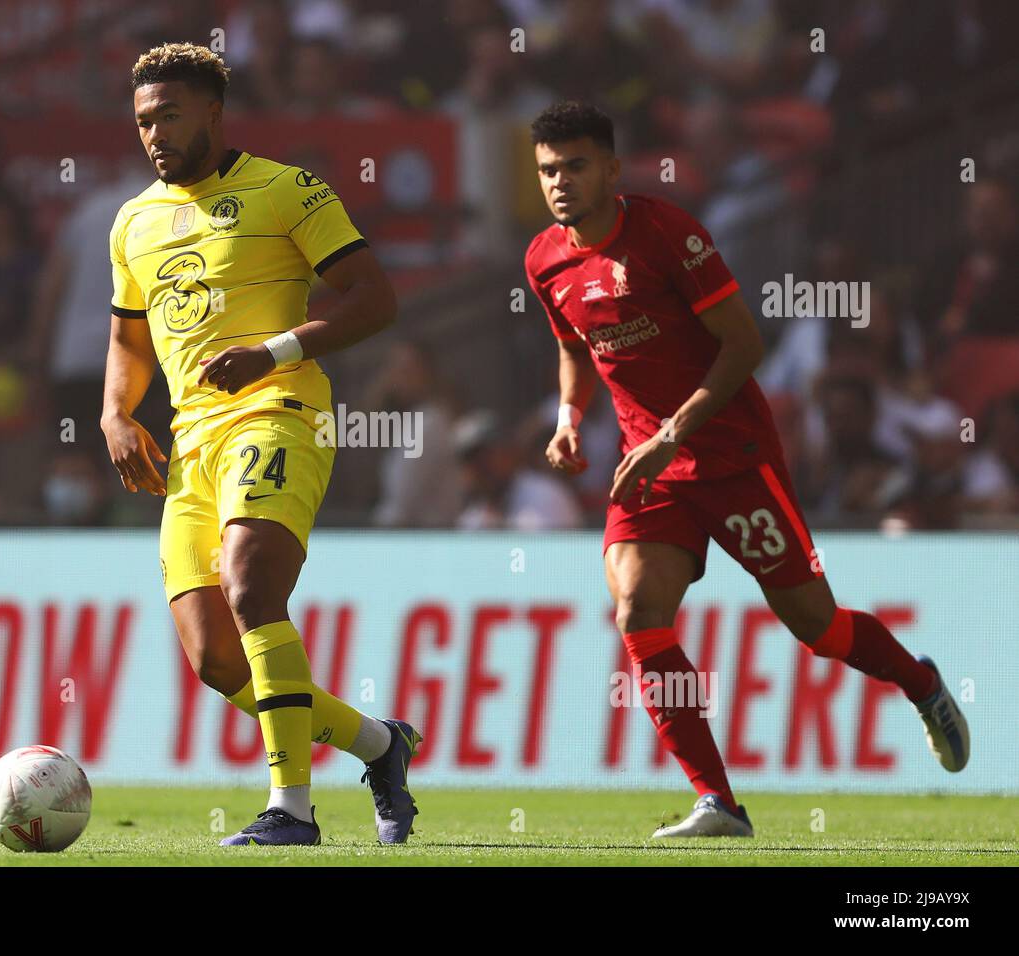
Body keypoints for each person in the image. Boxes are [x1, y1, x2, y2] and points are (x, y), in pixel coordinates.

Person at [522, 101, 969, 838]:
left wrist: (674, 432)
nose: (560, 182)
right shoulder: (545, 259)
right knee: (638, 611)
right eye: (547, 170)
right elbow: (574, 348)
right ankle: (718, 802)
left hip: (730, 456)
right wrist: (570, 420)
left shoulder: (670, 235)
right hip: (651, 470)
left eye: (574, 165)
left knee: (816, 627)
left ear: (610, 166)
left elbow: (743, 347)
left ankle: (920, 683)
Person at [99, 43, 415, 847]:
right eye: (143, 120)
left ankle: (292, 811)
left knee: (251, 588)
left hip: (279, 410)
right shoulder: (132, 221)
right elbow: (129, 339)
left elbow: (374, 299)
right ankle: (380, 745)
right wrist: (114, 413)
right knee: (214, 658)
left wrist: (273, 352)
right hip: (190, 442)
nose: (155, 132)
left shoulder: (285, 188)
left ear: (213, 109)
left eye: (169, 114)